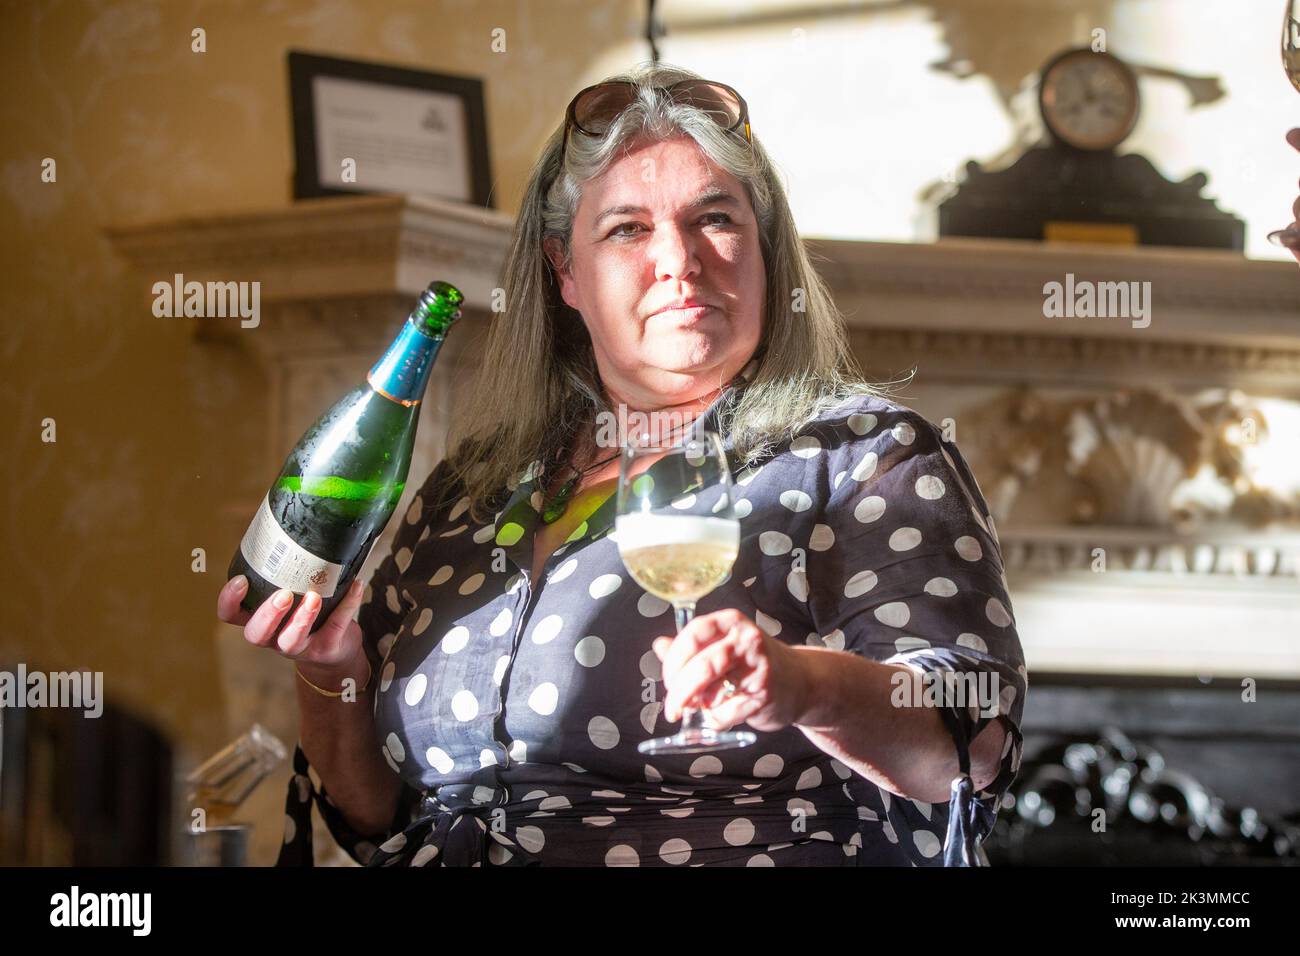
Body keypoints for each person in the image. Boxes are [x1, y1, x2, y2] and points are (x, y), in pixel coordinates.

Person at [223, 63, 1300, 869]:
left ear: (767, 248)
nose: (677, 261)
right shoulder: (470, 488)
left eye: (714, 220)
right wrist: (330, 667)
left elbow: (963, 744)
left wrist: (792, 681)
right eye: (628, 229)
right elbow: (377, 817)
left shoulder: (860, 454)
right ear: (563, 271)